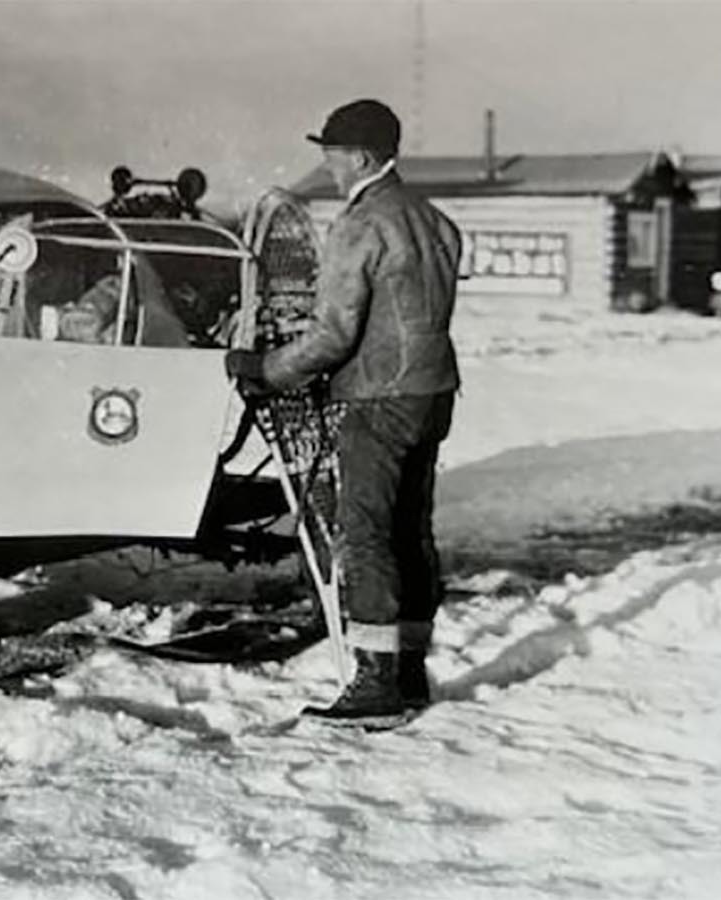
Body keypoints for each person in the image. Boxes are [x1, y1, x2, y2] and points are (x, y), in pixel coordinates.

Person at [227, 98, 463, 725]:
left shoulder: (359, 225)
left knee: (365, 533)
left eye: (332, 155)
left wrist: (266, 370)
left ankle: (375, 686)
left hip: (377, 398)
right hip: (432, 393)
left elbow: (333, 335)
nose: (328, 167)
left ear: (359, 157)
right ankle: (410, 673)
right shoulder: (436, 221)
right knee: (412, 530)